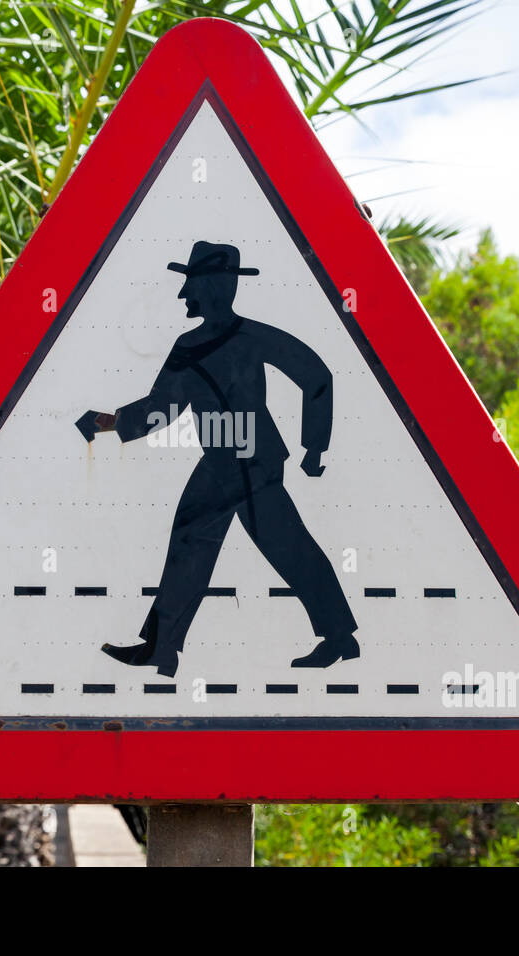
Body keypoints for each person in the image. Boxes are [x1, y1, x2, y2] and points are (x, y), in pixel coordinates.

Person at [77, 241, 358, 677]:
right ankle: (161, 649)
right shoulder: (188, 345)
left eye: (190, 284)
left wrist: (315, 447)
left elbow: (316, 374)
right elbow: (162, 408)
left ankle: (339, 638)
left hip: (254, 461)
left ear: (215, 287)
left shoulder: (253, 336)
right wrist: (107, 423)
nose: (182, 295)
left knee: (287, 547)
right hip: (220, 461)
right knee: (191, 542)